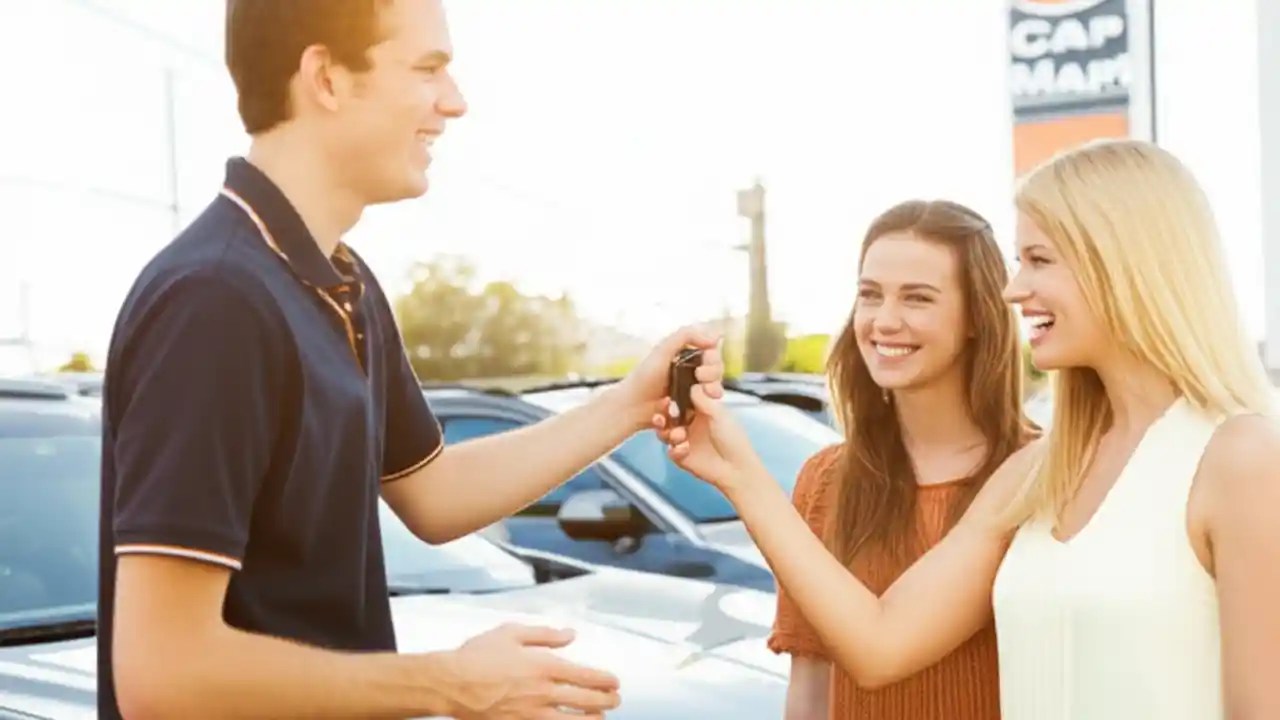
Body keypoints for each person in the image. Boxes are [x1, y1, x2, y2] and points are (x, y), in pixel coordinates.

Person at [97, 1, 724, 718]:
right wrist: (450, 684)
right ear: (327, 77)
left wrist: (631, 403)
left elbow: (434, 491)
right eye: (428, 69)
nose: (454, 103)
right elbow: (163, 674)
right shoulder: (215, 301)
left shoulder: (345, 284)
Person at [657, 139, 1280, 719]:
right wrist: (738, 474)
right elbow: (878, 647)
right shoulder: (1041, 470)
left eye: (1039, 259)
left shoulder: (1238, 458)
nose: (1013, 289)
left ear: (1123, 266)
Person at [763, 199, 1033, 720]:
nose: (885, 321)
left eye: (918, 299)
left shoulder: (1042, 473)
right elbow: (811, 684)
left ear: (978, 314)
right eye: (870, 295)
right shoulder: (824, 481)